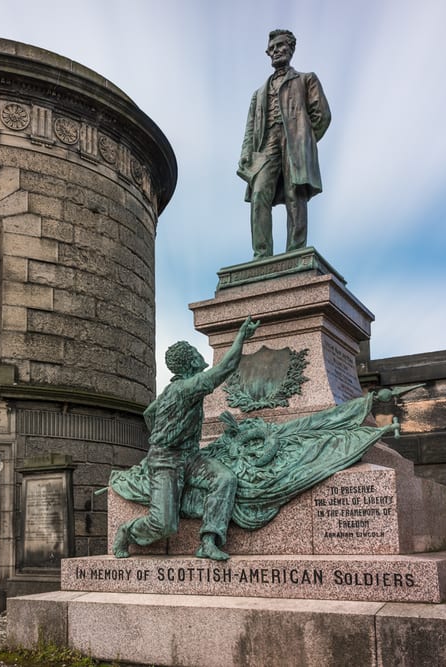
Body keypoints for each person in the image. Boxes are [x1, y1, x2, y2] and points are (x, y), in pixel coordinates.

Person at [112, 316, 259, 561]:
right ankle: (127, 531)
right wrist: (241, 337)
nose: (201, 355)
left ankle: (209, 541)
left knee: (225, 478)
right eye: (195, 352)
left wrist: (169, 433)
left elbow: (150, 413)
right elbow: (225, 369)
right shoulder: (185, 388)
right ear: (191, 361)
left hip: (190, 457)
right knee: (165, 525)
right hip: (166, 462)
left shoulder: (176, 388)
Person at [238, 29, 331, 259]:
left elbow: (322, 115)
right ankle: (261, 255)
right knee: (259, 193)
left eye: (281, 46)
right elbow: (250, 128)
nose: (276, 50)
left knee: (295, 194)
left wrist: (305, 141)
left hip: (295, 144)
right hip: (266, 146)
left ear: (291, 48)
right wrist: (246, 152)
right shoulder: (258, 94)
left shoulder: (306, 79)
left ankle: (296, 251)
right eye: (272, 48)